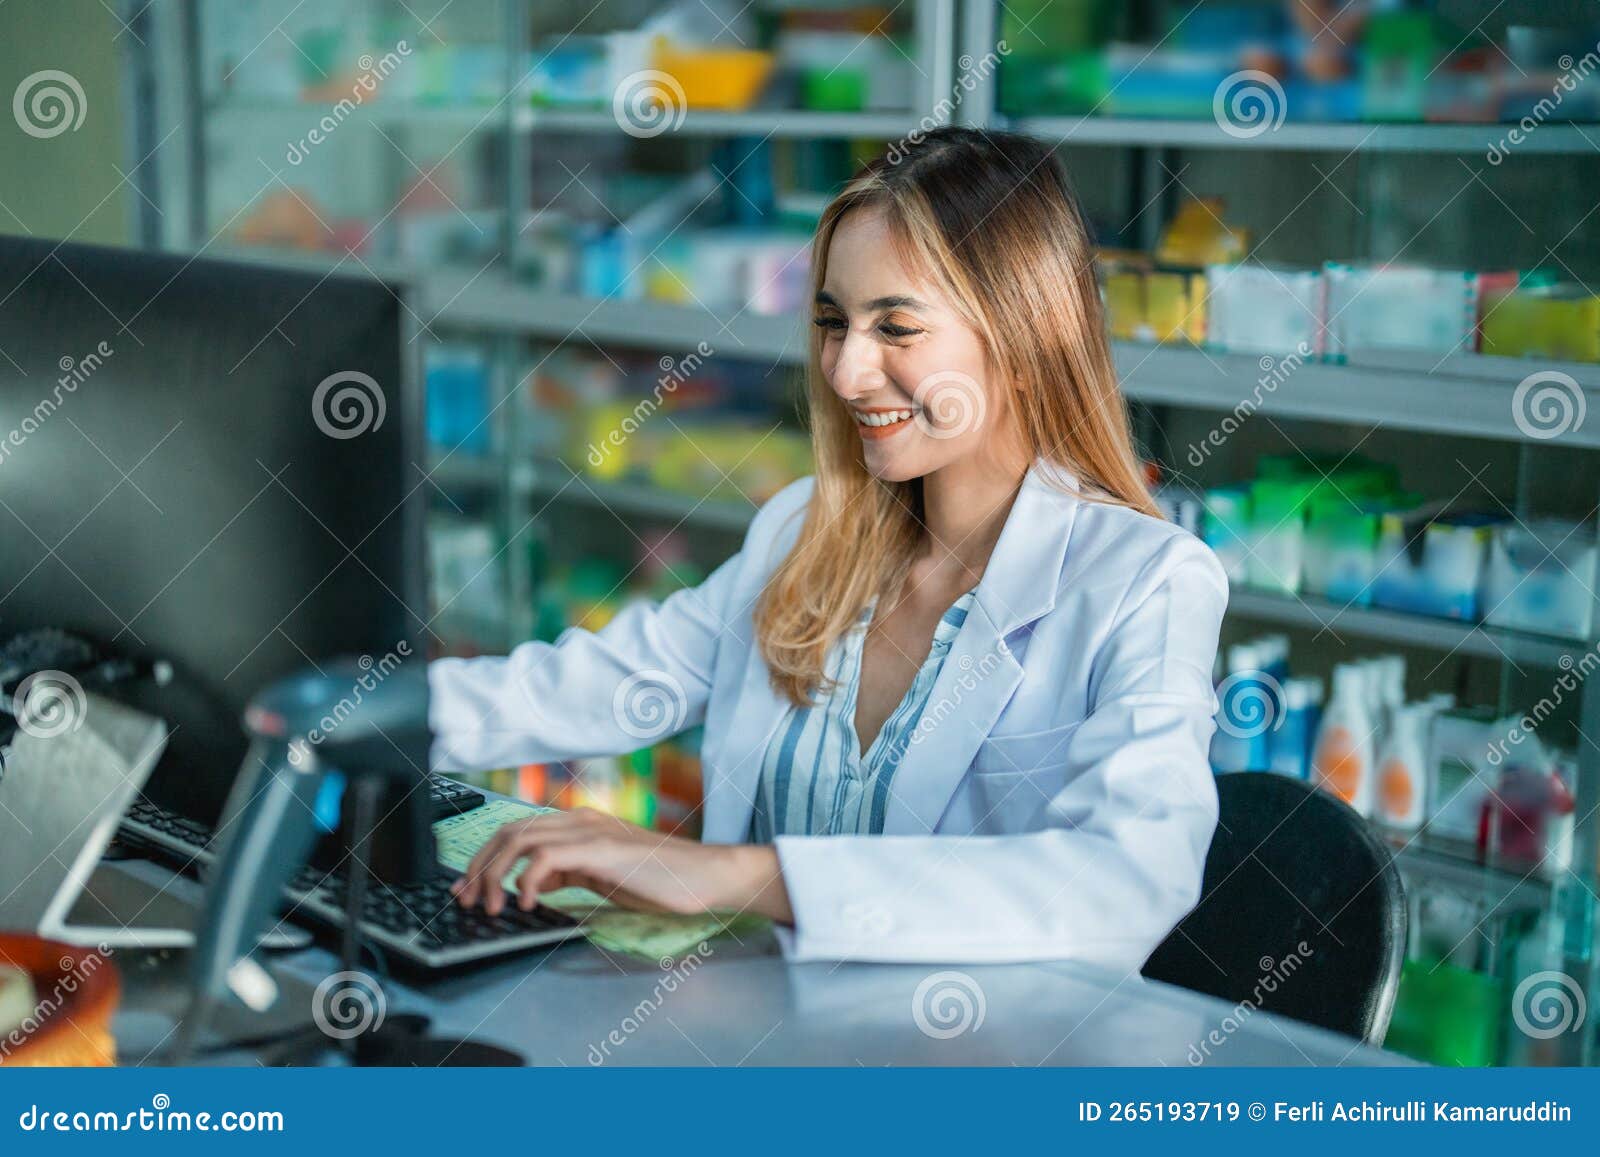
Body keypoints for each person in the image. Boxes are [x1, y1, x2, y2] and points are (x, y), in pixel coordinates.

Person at [437, 127, 1228, 969]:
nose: (847, 372)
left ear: (1027, 336)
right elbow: (598, 683)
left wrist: (738, 876)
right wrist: (336, 718)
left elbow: (1130, 877)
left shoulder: (1146, 582)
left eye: (896, 327)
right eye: (832, 321)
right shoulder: (804, 532)